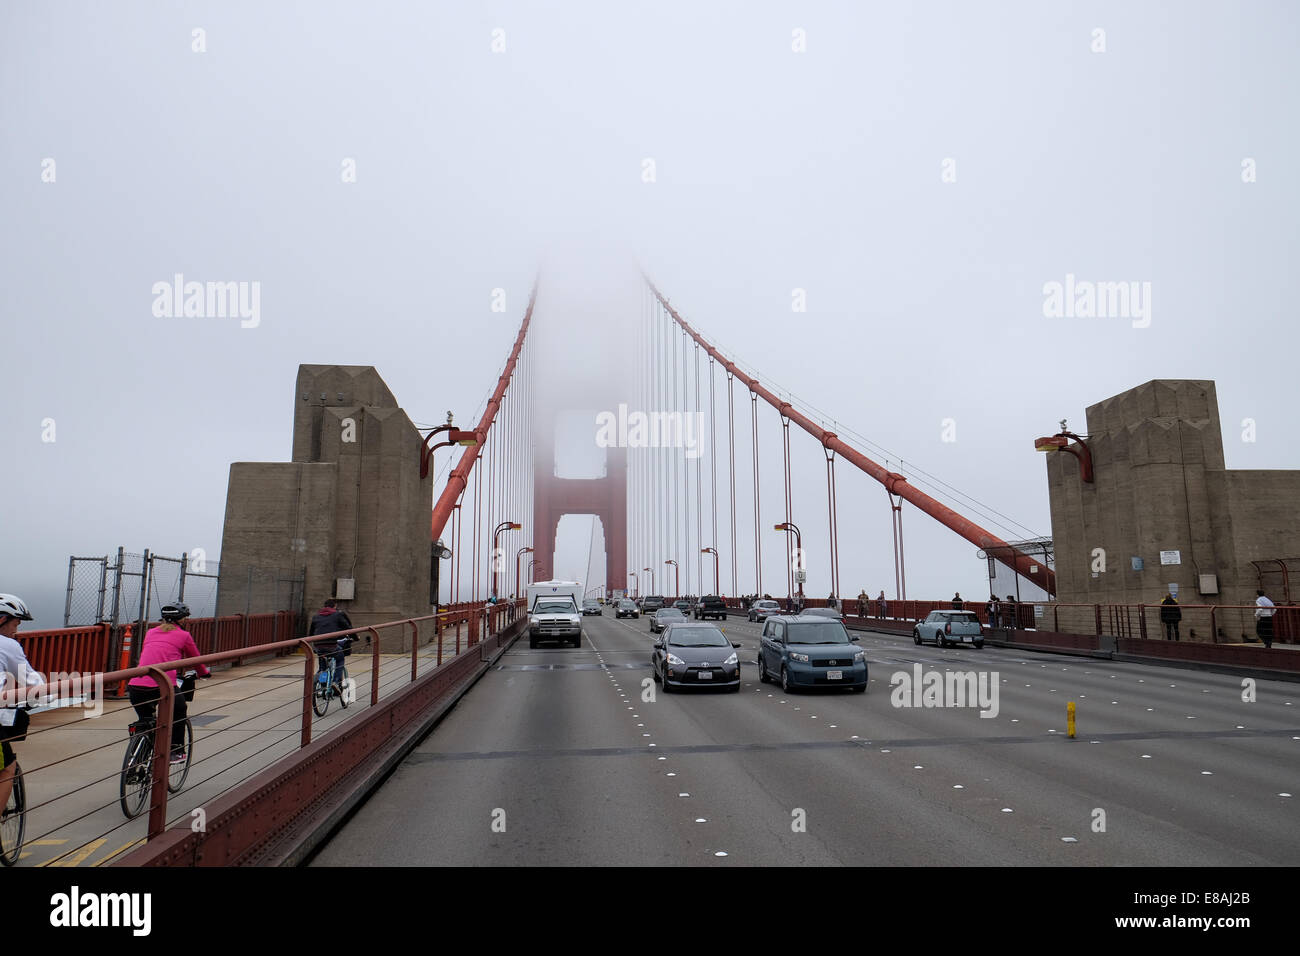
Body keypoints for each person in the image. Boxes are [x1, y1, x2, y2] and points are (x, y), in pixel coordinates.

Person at [127, 603, 211, 763]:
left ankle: (137, 759)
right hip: (163, 684)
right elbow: (197, 660)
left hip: (136, 684)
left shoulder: (150, 632)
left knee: (145, 720)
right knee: (179, 709)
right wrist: (204, 673)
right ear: (181, 620)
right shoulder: (184, 636)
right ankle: (176, 750)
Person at [0, 594, 44, 815]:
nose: (16, 630)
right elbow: (33, 682)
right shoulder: (7, 644)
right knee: (7, 768)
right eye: (15, 624)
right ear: (2, 620)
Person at [309, 599, 356, 688]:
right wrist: (355, 637)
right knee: (340, 658)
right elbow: (348, 628)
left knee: (323, 667)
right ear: (335, 606)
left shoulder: (316, 616)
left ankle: (322, 684)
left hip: (318, 645)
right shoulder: (337, 615)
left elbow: (311, 633)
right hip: (331, 645)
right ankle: (336, 681)